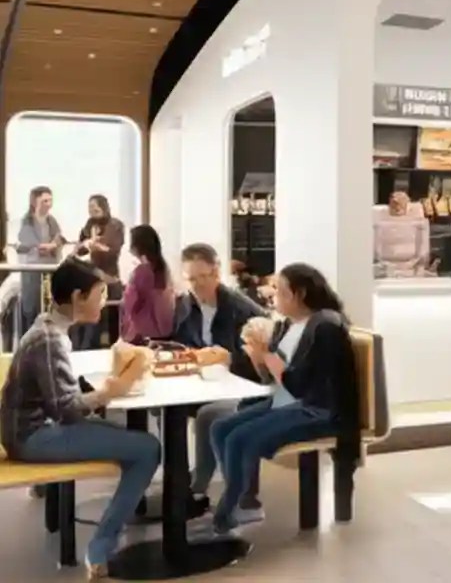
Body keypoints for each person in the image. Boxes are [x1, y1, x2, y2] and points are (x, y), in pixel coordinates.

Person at [0, 258, 160, 578]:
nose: (105, 300)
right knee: (148, 449)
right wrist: (109, 393)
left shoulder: (50, 328)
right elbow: (67, 409)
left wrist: (105, 392)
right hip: (32, 438)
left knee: (129, 439)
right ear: (77, 297)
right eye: (100, 293)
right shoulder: (50, 338)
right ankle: (100, 546)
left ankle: (101, 536)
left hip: (33, 429)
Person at [208, 263, 359, 535]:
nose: (273, 296)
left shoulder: (325, 326)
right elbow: (273, 378)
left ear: (299, 294)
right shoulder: (289, 324)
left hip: (317, 410)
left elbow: (299, 384)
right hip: (288, 401)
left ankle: (228, 511)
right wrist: (259, 357)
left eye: (280, 290)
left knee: (237, 438)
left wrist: (267, 355)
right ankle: (240, 499)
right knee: (220, 428)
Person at [171, 243, 270, 515]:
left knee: (212, 414)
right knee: (172, 411)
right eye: (192, 279)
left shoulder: (241, 308)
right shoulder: (182, 305)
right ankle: (184, 485)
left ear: (216, 273)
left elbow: (264, 354)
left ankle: (236, 494)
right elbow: (175, 343)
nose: (198, 285)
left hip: (241, 386)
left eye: (204, 277)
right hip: (199, 384)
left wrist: (228, 359)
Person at [74, 195, 126, 349]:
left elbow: (113, 250)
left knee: (112, 317)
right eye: (90, 208)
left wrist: (97, 245)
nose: (92, 211)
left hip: (110, 276)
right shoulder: (88, 225)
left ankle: (113, 348)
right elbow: (79, 250)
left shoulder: (115, 225)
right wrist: (86, 244)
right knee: (92, 320)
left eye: (95, 208)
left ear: (103, 207)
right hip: (92, 277)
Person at [14, 186, 65, 337]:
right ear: (34, 201)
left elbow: (59, 238)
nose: (48, 204)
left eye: (50, 200)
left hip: (50, 270)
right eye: (44, 201)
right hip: (33, 271)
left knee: (50, 310)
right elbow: (25, 242)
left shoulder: (52, 221)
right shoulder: (26, 221)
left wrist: (54, 245)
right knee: (31, 309)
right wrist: (41, 247)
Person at [120, 225, 175, 343]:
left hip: (142, 332)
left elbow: (131, 303)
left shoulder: (142, 271)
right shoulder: (164, 268)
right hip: (164, 330)